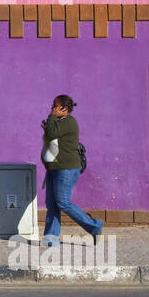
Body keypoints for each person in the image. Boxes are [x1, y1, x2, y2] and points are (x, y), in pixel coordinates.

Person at [41, 95, 102, 247]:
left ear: (64, 109)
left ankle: (94, 226)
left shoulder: (69, 122)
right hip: (54, 168)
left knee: (63, 203)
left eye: (56, 106)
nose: (53, 109)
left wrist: (51, 117)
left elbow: (51, 134)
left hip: (66, 169)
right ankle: (51, 237)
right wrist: (51, 120)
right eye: (52, 106)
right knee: (52, 204)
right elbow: (50, 135)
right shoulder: (59, 122)